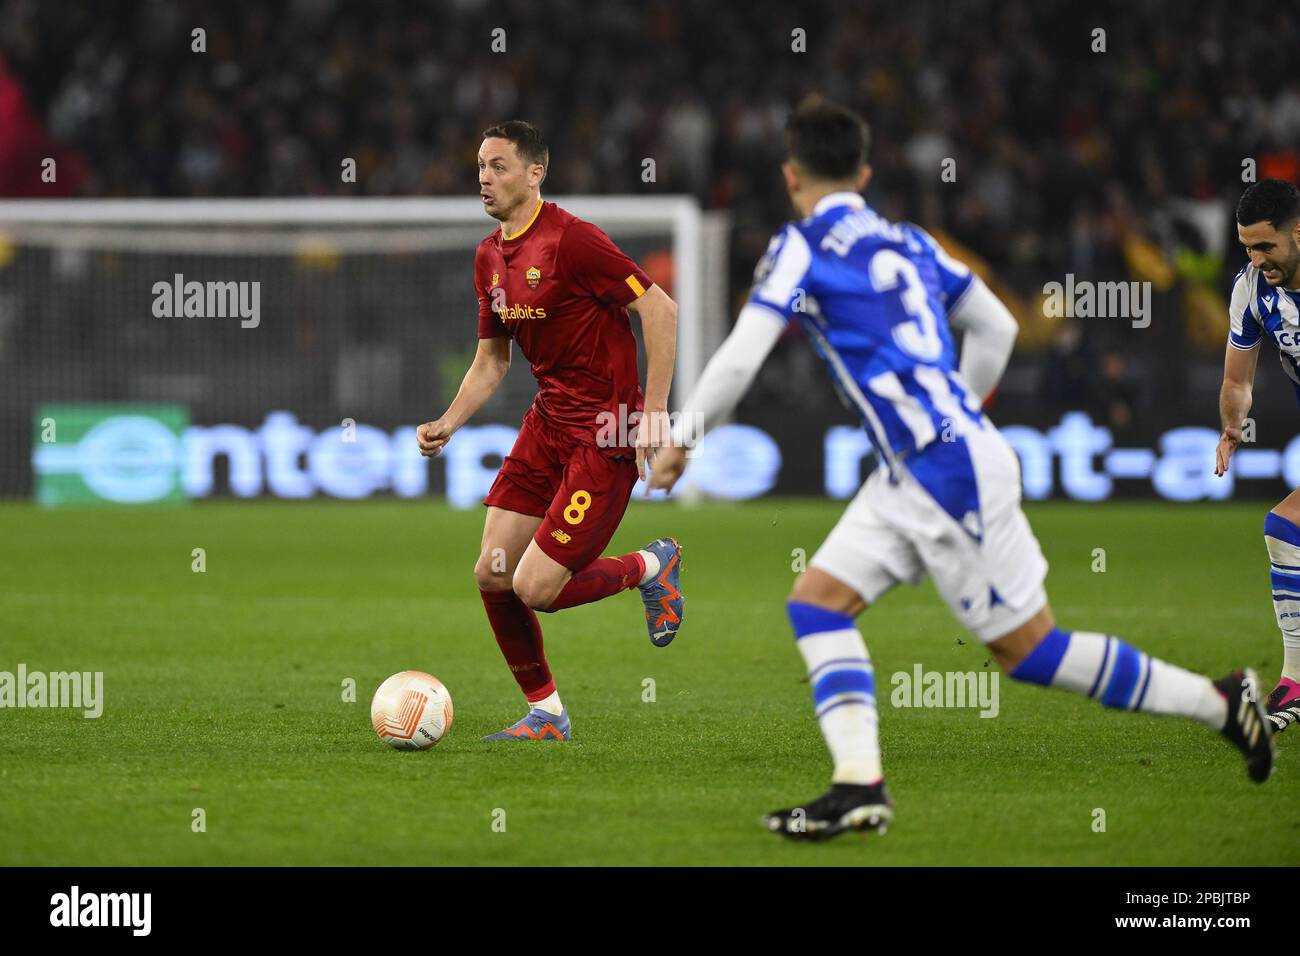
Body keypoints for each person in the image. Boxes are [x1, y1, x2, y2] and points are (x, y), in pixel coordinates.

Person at [651, 97, 1273, 841]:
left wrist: (683, 435)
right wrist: (965, 407)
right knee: (817, 604)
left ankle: (1221, 702)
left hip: (944, 473)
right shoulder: (910, 240)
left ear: (791, 176)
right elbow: (999, 324)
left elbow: (745, 352)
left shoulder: (800, 246)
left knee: (1030, 650)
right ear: (867, 171)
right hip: (915, 469)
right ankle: (857, 786)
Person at [418, 121, 684, 741]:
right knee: (492, 572)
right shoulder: (489, 256)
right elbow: (492, 361)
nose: (485, 177)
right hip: (547, 422)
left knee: (535, 587)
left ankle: (650, 566)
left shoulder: (574, 241)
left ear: (536, 173)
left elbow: (659, 308)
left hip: (605, 433)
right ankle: (547, 714)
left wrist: (656, 409)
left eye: (499, 166)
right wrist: (448, 423)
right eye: (480, 165)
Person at [1215, 176, 1300, 733]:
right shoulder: (1252, 290)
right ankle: (1296, 680)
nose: (1256, 257)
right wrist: (1231, 425)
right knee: (1283, 529)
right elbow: (1237, 377)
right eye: (1248, 246)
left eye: (1266, 245)